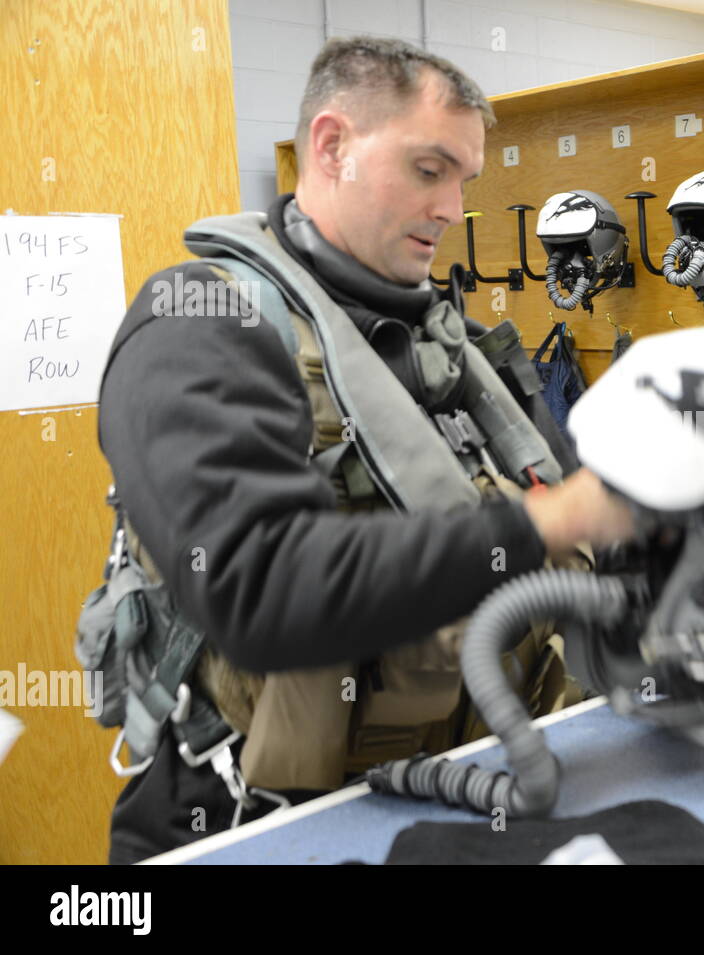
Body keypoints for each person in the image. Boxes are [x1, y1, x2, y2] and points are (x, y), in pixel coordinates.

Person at [93, 36, 635, 864]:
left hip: (465, 794)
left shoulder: (458, 344)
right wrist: (543, 523)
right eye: (429, 169)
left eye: (465, 180)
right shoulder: (197, 321)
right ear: (332, 146)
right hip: (259, 824)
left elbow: (580, 525)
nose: (454, 207)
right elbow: (258, 588)